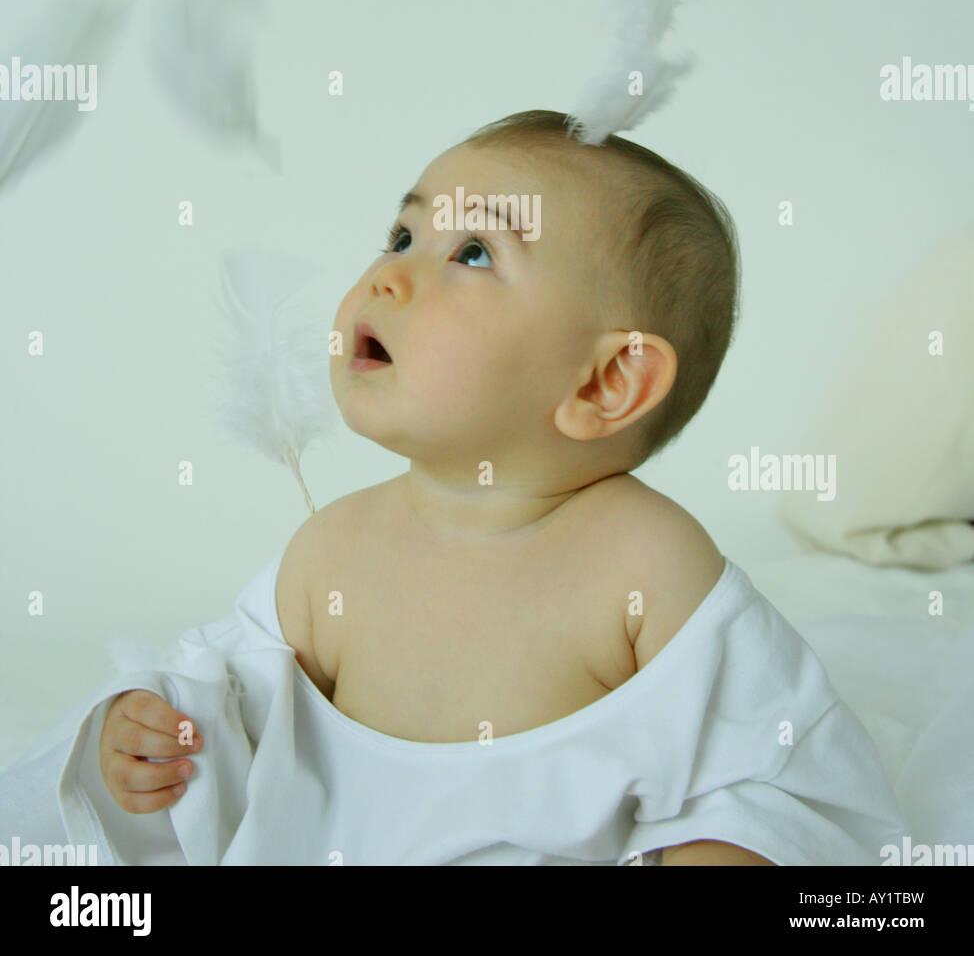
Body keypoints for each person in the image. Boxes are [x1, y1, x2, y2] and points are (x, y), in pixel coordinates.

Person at [7, 110, 909, 865]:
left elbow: (772, 773)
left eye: (472, 252)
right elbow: (232, 722)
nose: (388, 274)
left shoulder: (646, 565)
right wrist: (148, 740)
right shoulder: (333, 553)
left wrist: (731, 847)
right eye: (403, 234)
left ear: (606, 384)